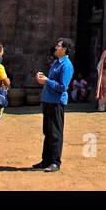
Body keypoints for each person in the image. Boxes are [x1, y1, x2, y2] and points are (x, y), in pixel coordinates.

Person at [34, 38, 74, 173]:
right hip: (48, 100)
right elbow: (52, 81)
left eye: (59, 46)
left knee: (56, 133)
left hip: (56, 102)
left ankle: (55, 162)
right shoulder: (57, 63)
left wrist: (47, 81)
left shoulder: (66, 65)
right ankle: (46, 159)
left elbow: (63, 87)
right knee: (48, 132)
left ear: (65, 49)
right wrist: (43, 80)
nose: (56, 47)